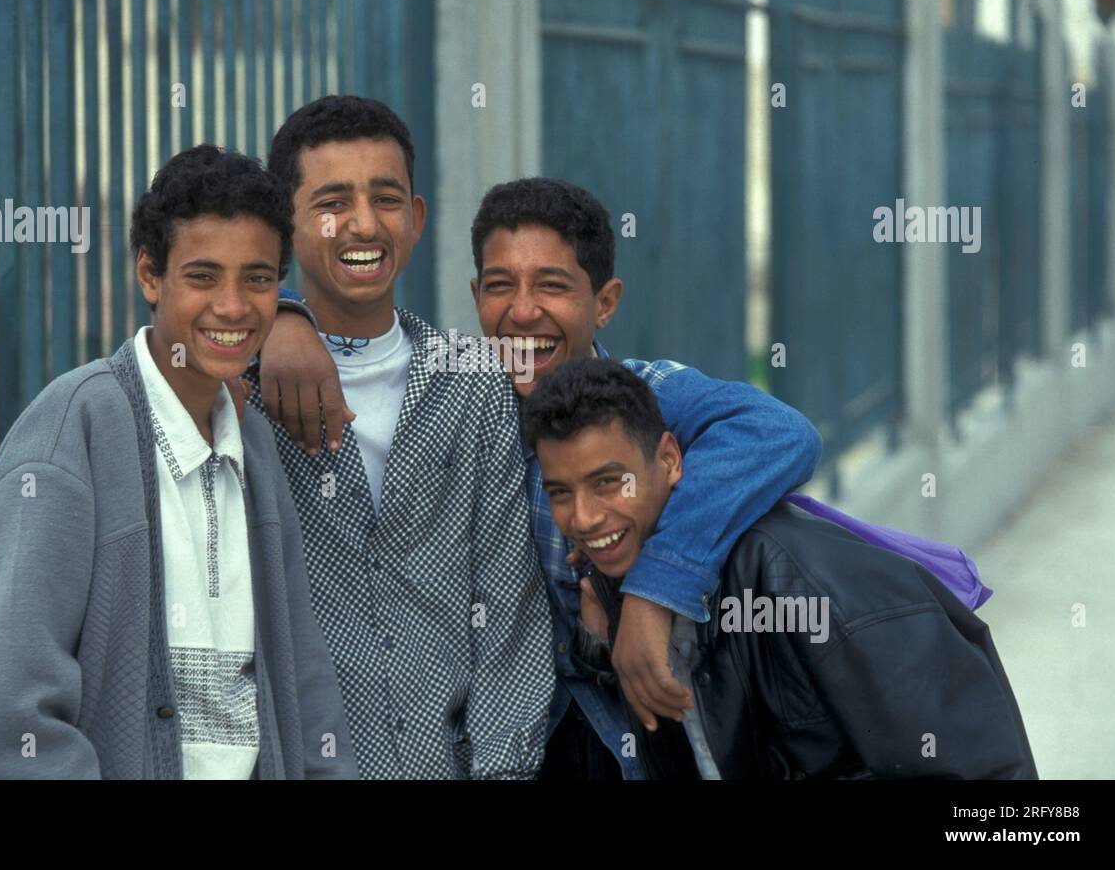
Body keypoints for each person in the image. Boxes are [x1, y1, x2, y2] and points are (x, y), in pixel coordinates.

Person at [259, 170, 822, 779]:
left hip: (648, 732)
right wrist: (286, 318)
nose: (523, 313)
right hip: (513, 741)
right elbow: (345, 343)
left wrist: (653, 592)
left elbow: (778, 433)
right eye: (500, 286)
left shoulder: (640, 398)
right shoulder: (461, 399)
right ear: (476, 295)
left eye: (552, 286)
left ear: (604, 302)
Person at [0, 144, 356, 779]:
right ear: (150, 275)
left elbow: (304, 688)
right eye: (203, 276)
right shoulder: (73, 434)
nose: (233, 306)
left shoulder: (254, 447)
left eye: (257, 279)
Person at [523, 357, 1039, 780]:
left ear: (671, 460)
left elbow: (985, 770)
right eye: (561, 493)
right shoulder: (618, 592)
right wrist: (596, 638)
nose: (584, 517)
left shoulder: (795, 578)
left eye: (609, 482)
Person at [242, 96, 554, 779]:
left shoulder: (476, 384)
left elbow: (509, 614)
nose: (363, 223)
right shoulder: (242, 395)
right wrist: (280, 317)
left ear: (415, 219)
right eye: (333, 202)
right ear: (285, 226)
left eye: (385, 199)